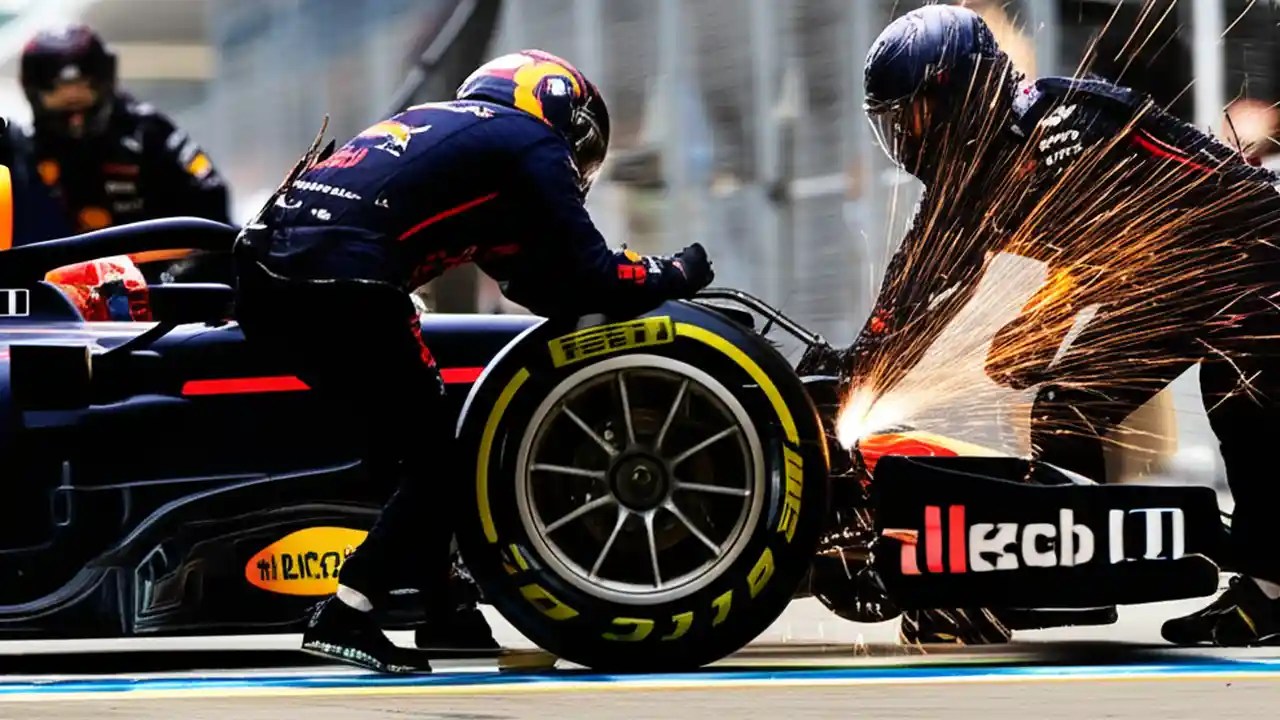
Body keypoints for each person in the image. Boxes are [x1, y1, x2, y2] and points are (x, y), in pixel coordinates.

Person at [231, 49, 715, 673]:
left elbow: (539, 285)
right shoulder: (528, 141)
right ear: (563, 113)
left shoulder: (453, 135)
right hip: (344, 281)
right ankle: (348, 612)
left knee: (414, 444)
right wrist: (672, 272)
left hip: (266, 276)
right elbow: (591, 274)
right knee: (443, 456)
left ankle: (443, 610)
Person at [835, 4, 1280, 647]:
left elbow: (1218, 193)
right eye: (896, 122)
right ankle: (1054, 578)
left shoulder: (1066, 117)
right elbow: (912, 289)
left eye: (917, 114)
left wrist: (1097, 145)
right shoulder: (964, 186)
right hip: (1163, 293)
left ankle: (1269, 590)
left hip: (1252, 263)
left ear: (966, 90)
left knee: (1239, 380)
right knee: (1060, 402)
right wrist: (855, 374)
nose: (909, 134)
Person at [19, 24, 232, 282]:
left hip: (154, 291)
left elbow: (211, 203)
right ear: (35, 93)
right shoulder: (22, 152)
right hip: (55, 297)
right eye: (56, 91)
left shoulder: (149, 134)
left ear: (103, 81)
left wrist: (174, 279)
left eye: (84, 87)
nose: (74, 111)